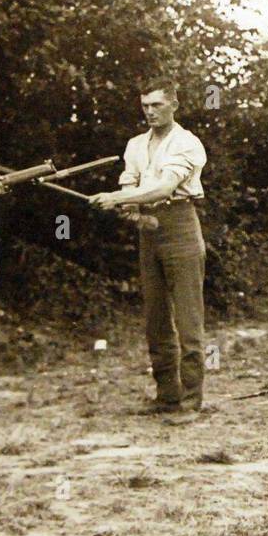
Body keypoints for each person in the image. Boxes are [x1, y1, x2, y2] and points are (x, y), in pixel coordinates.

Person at [90, 80, 208, 425]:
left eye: (157, 105)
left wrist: (117, 199)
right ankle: (167, 395)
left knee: (187, 318)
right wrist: (130, 209)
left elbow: (164, 185)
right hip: (149, 229)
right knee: (155, 316)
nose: (150, 112)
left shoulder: (187, 143)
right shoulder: (135, 145)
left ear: (174, 105)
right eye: (145, 106)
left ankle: (190, 400)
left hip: (181, 224)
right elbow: (131, 181)